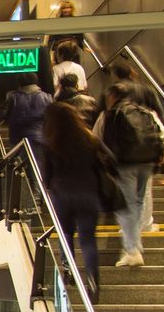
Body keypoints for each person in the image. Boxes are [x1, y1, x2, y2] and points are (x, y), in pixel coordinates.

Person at [94, 82, 164, 267]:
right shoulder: (146, 112)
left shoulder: (108, 115)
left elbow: (95, 139)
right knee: (138, 203)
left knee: (126, 207)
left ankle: (132, 251)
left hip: (124, 166)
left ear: (113, 96)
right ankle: (135, 245)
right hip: (146, 164)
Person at [43, 102, 116, 300]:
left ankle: (69, 273)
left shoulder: (50, 142)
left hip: (62, 196)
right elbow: (110, 160)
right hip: (88, 195)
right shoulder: (89, 139)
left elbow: (45, 176)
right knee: (88, 240)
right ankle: (92, 283)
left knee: (65, 235)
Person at [0, 72, 52, 151]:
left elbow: (2, 114)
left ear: (19, 82)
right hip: (40, 137)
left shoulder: (12, 97)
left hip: (17, 138)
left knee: (18, 160)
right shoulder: (47, 97)